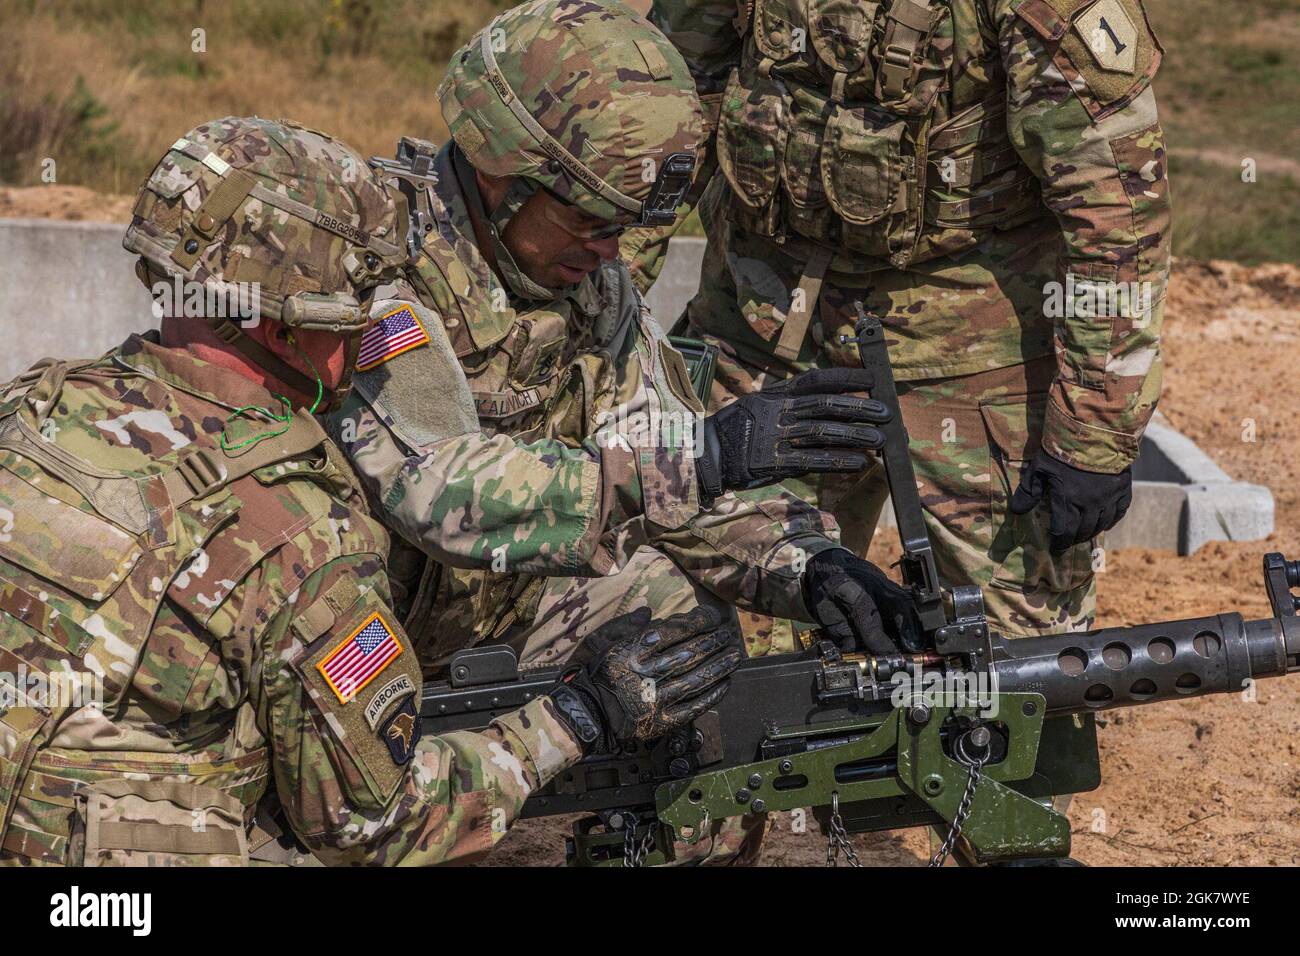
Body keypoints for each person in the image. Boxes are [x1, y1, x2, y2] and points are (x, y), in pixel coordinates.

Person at [0, 116, 739, 867]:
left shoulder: (31, 408)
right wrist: (578, 717)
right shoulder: (299, 533)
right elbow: (378, 825)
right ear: (288, 324)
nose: (372, 331)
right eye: (360, 300)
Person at [329, 0, 922, 862]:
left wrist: (810, 572)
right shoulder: (379, 268)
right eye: (592, 219)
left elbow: (663, 450)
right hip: (347, 639)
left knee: (686, 636)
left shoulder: (587, 287)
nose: (612, 251)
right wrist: (709, 454)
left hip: (491, 613)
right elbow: (441, 491)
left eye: (627, 227)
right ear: (505, 174)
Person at [628, 0, 1171, 641]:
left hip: (972, 365)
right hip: (761, 329)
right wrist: (600, 307)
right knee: (723, 635)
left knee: (1017, 661)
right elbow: (674, 104)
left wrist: (1095, 432)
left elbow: (1115, 201)